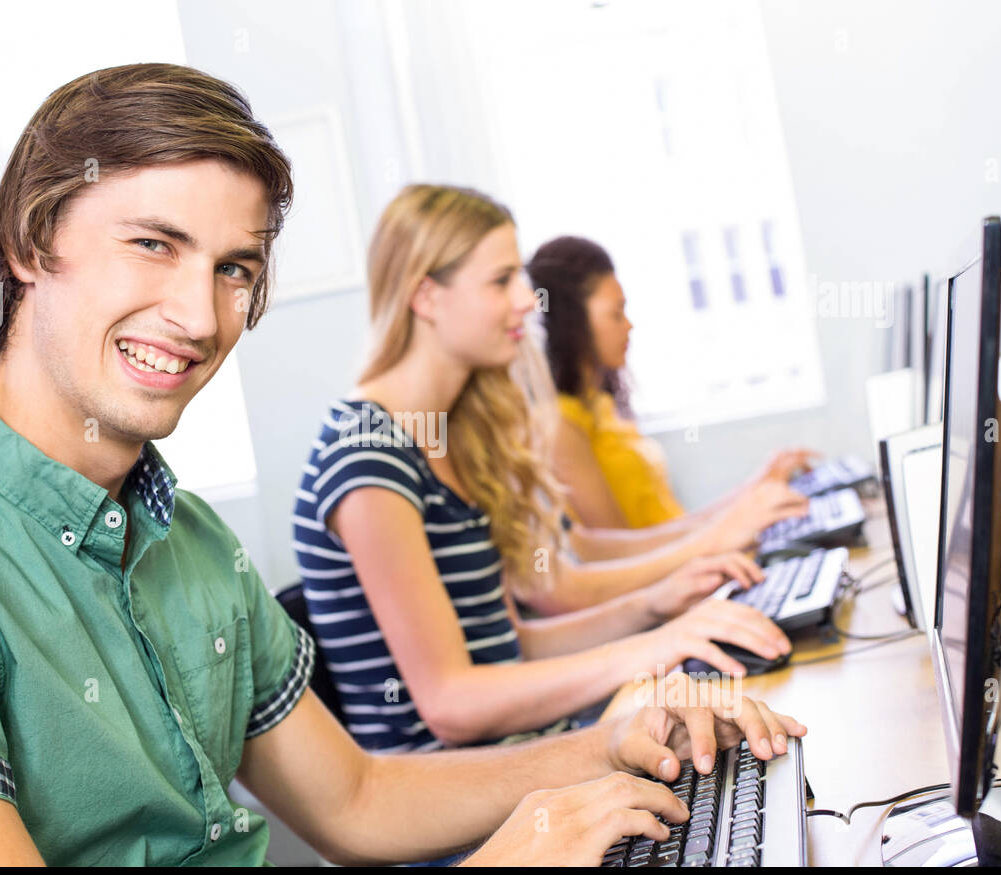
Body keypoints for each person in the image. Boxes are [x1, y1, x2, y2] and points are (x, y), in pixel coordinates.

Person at [0, 64, 803, 867]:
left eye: (234, 267)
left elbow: (355, 799)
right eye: (152, 245)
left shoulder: (188, 538)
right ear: (31, 243)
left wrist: (607, 745)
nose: (200, 314)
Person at [292, 184, 796, 757]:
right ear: (427, 296)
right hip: (460, 805)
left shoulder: (455, 434)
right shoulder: (368, 455)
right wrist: (647, 648)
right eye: (501, 280)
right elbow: (452, 703)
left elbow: (510, 647)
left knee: (746, 733)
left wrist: (655, 610)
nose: (528, 301)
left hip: (525, 753)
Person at [527, 235, 816, 532]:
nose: (629, 325)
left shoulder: (600, 404)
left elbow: (674, 527)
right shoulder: (561, 424)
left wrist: (757, 488)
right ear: (572, 324)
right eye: (616, 313)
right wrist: (737, 516)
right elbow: (622, 551)